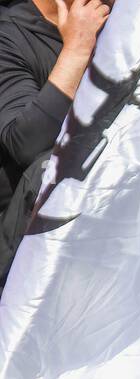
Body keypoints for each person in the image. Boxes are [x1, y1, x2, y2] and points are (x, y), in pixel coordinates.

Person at [0, 0, 108, 219]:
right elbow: (26, 145)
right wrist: (77, 49)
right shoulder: (10, 37)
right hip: (39, 235)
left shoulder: (129, 24)